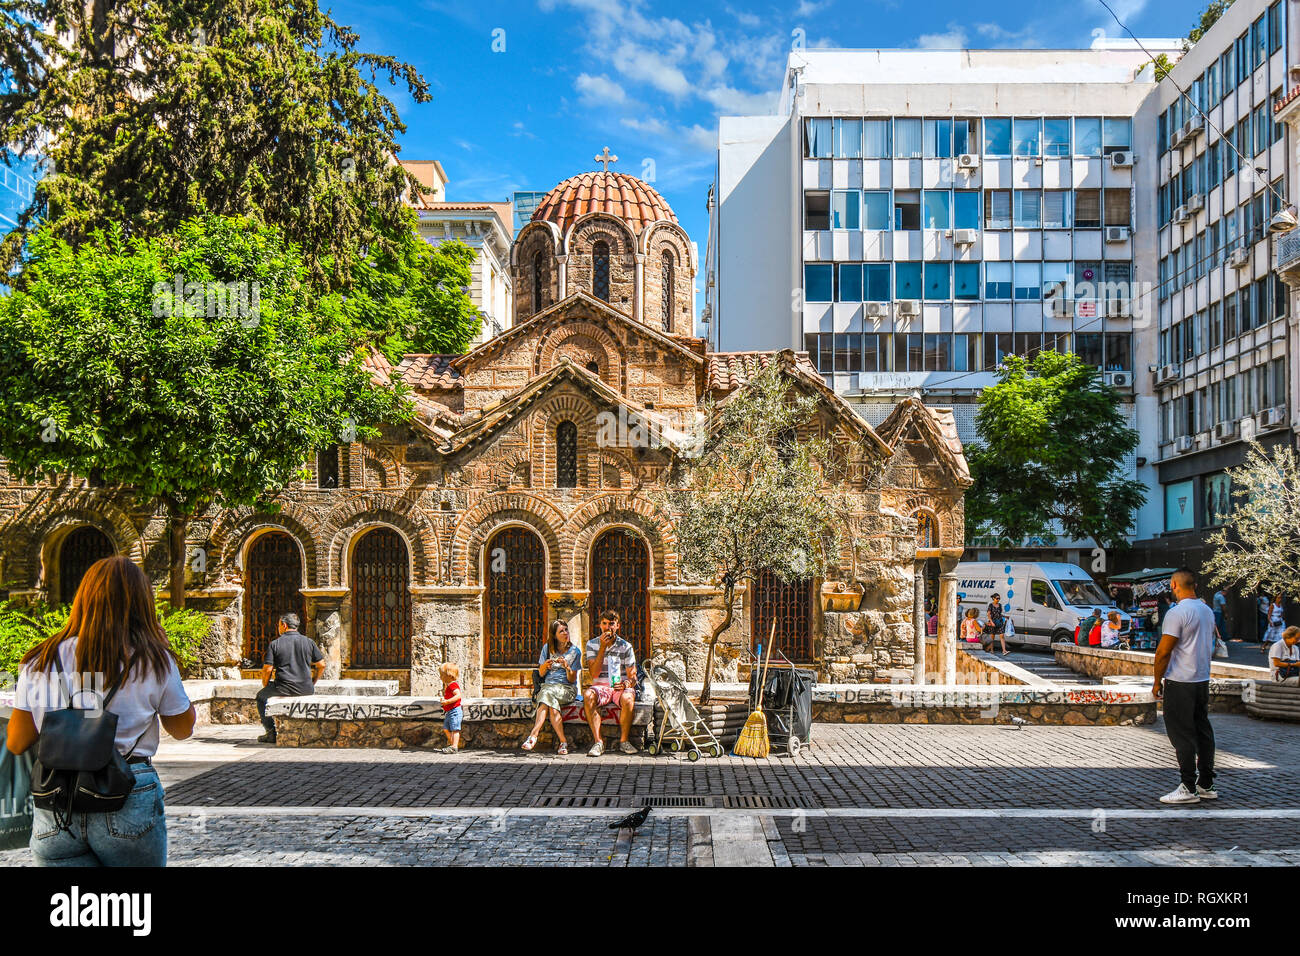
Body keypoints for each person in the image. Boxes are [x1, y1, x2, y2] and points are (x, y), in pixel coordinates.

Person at [5, 556, 196, 866]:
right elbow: (182, 728)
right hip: (127, 791)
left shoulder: (40, 660)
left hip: (57, 799)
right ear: (142, 604)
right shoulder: (154, 660)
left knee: (75, 911)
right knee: (132, 910)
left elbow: (16, 742)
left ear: (84, 597)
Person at [1153, 568, 1217, 805]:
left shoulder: (1177, 612)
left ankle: (1188, 786)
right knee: (1203, 731)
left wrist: (1156, 681)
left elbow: (1163, 651)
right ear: (1195, 585)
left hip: (1180, 681)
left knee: (1182, 735)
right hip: (1201, 679)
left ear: (1174, 585)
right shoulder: (1207, 611)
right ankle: (1207, 783)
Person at [256, 612, 325, 744]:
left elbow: (268, 669)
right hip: (306, 689)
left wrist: (265, 685)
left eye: (279, 625)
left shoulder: (275, 644)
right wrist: (313, 682)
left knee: (260, 697)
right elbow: (321, 665)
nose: (279, 628)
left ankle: (270, 733)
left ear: (284, 625)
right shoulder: (309, 642)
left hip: (283, 688)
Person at [582, 609, 639, 756]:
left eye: (611, 624)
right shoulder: (592, 644)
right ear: (600, 626)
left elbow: (633, 677)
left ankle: (624, 741)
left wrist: (626, 684)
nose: (608, 627)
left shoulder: (626, 647)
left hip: (619, 687)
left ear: (618, 626)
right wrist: (602, 647)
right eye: (605, 624)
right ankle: (598, 742)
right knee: (588, 695)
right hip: (601, 687)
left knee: (628, 697)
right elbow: (594, 673)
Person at [523, 620, 581, 754]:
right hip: (549, 688)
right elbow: (541, 673)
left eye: (566, 630)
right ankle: (563, 742)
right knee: (552, 706)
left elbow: (572, 679)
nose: (566, 633)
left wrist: (567, 666)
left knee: (546, 694)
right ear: (554, 635)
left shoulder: (575, 652)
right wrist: (545, 665)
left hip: (567, 689)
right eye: (561, 631)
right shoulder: (547, 649)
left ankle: (533, 735)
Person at [440, 662, 463, 753]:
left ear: (448, 675)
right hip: (449, 711)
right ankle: (452, 745)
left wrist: (447, 701)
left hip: (455, 711)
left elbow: (458, 696)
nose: (440, 677)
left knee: (455, 729)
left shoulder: (453, 685)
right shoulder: (448, 685)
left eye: (442, 675)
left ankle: (454, 747)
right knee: (446, 729)